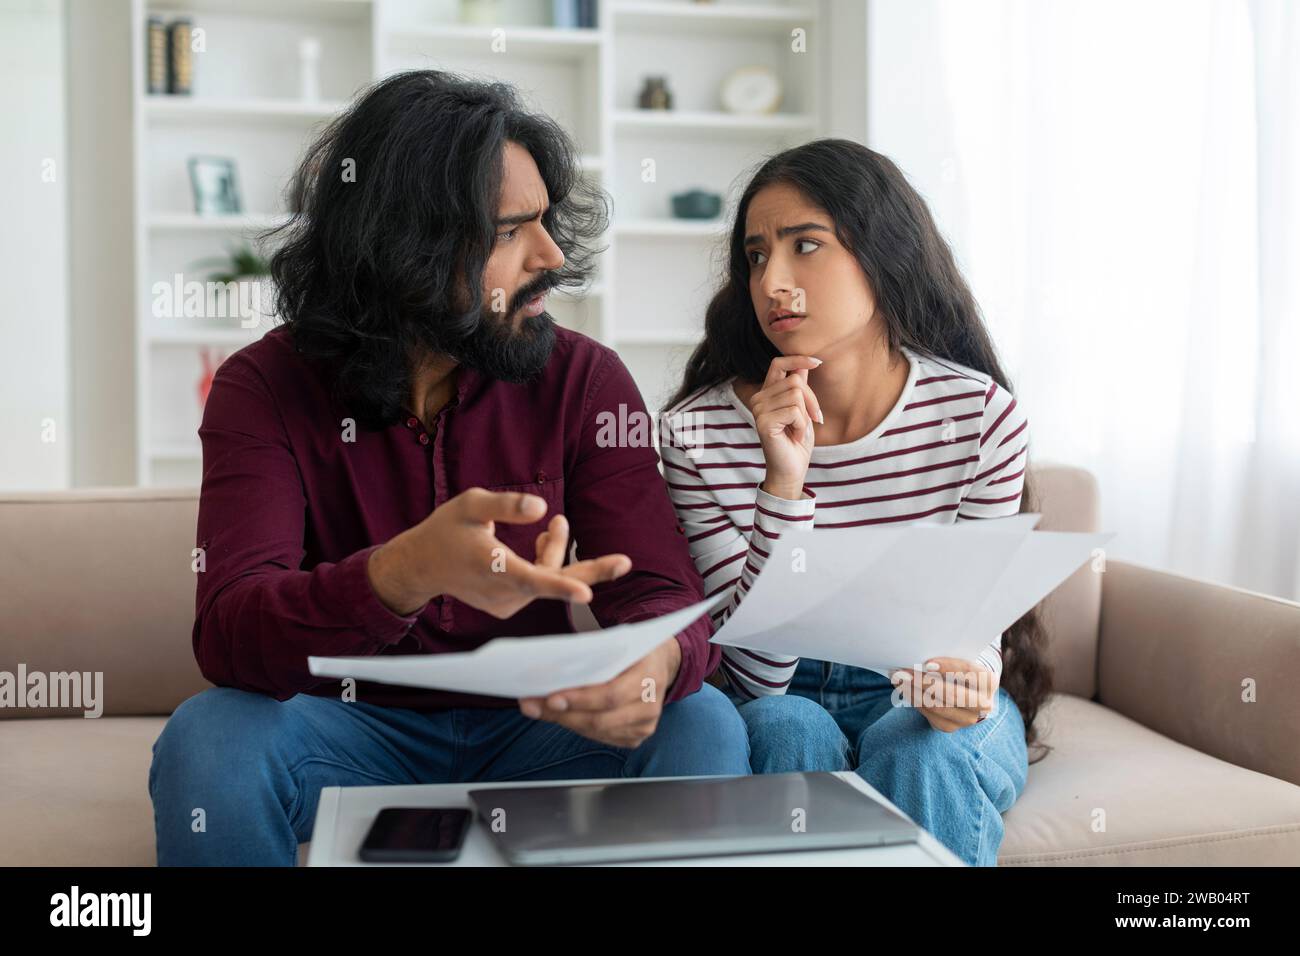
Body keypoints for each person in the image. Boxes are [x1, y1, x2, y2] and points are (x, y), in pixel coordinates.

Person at [148, 71, 750, 866]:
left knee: (702, 721)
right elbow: (231, 635)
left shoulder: (585, 379)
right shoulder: (263, 387)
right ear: (405, 248)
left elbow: (665, 593)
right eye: (509, 232)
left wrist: (655, 663)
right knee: (210, 737)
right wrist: (399, 573)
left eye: (545, 223)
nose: (553, 256)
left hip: (546, 728)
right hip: (351, 734)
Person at [660, 139, 1052, 867]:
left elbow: (973, 628)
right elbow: (755, 677)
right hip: (785, 684)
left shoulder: (978, 415)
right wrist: (784, 483)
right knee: (782, 725)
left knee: (921, 747)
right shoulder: (700, 434)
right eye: (755, 256)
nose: (773, 281)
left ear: (883, 254)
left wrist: (965, 681)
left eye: (805, 245)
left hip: (922, 681)